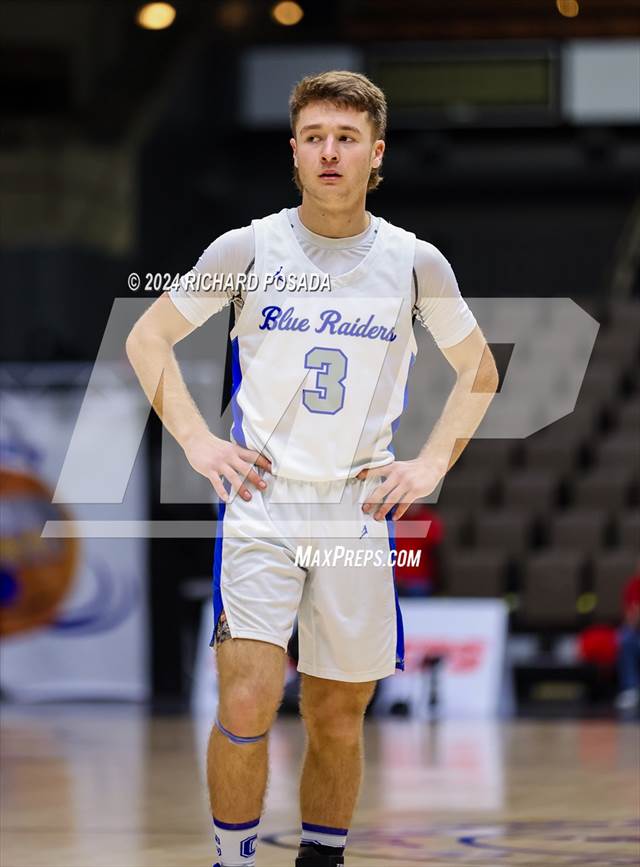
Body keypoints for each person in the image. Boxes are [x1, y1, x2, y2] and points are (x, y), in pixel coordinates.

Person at [126, 71, 498, 867]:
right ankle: (234, 859)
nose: (330, 152)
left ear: (376, 154)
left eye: (347, 138)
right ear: (293, 151)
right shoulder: (247, 247)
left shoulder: (413, 261)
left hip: (355, 508)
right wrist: (197, 442)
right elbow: (145, 339)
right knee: (248, 698)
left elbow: (480, 371)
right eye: (315, 137)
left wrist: (431, 461)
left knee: (336, 713)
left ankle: (320, 860)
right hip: (264, 502)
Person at [616, 566, 640, 712]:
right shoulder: (632, 586)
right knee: (625, 638)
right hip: (637, 634)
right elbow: (630, 620)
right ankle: (631, 690)